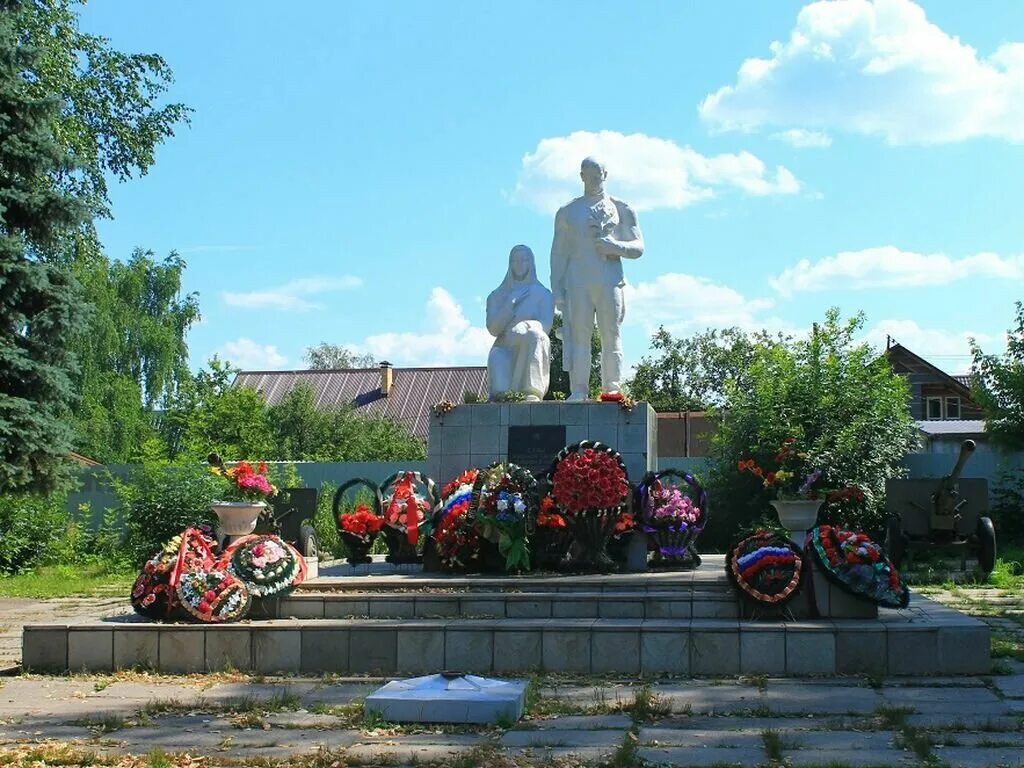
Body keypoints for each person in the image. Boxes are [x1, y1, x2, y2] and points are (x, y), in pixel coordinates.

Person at [550, 157, 644, 401]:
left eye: (597, 176)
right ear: (581, 176)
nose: (593, 181)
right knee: (579, 336)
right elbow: (558, 253)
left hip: (610, 280)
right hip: (577, 282)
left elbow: (638, 247)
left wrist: (616, 247)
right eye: (588, 177)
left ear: (605, 175)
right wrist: (557, 289)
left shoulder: (622, 209)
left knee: (611, 334)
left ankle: (612, 386)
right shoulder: (567, 212)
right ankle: (579, 389)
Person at [486, 244, 555, 401]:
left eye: (524, 260)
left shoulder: (543, 294)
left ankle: (531, 391)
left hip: (529, 344)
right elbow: (493, 329)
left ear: (531, 263)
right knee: (500, 387)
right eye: (515, 260)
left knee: (537, 335)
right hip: (504, 347)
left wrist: (526, 325)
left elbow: (546, 325)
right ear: (510, 263)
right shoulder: (497, 295)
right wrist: (509, 304)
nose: (519, 264)